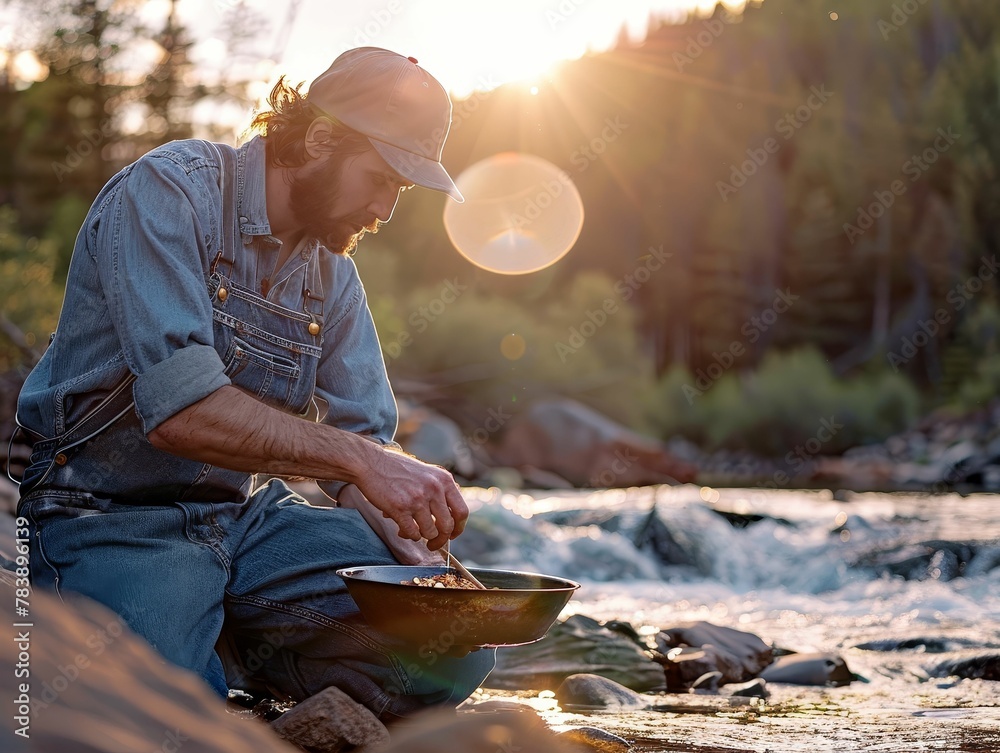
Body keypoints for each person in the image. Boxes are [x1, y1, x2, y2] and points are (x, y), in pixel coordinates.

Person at [14, 47, 495, 719]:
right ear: (322, 138)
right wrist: (364, 461)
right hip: (108, 516)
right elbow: (181, 411)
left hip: (239, 522)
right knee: (168, 722)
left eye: (401, 191)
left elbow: (363, 448)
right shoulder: (168, 193)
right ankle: (200, 655)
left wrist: (407, 539)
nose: (385, 210)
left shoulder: (335, 277)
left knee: (455, 647)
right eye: (380, 178)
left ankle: (231, 648)